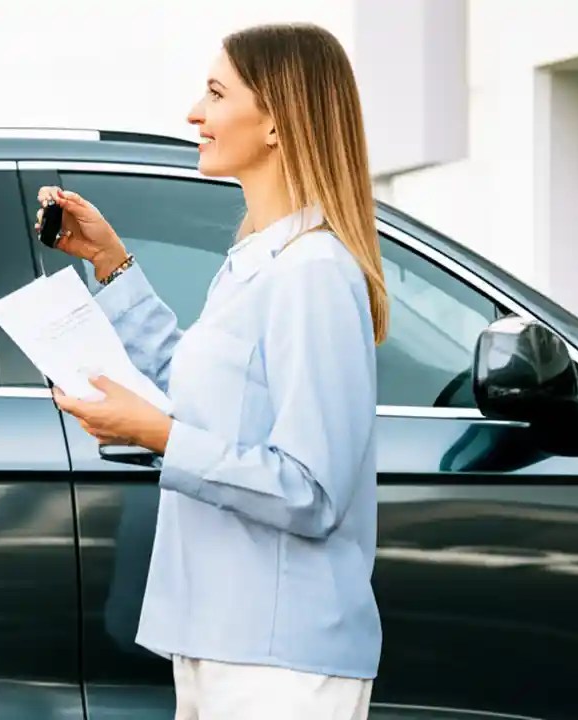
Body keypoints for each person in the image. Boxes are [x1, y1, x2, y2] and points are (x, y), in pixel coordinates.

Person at [37, 22, 389, 720]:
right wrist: (111, 264)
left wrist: (162, 435)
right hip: (216, 641)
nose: (194, 113)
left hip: (282, 657)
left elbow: (312, 490)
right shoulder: (256, 263)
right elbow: (190, 383)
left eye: (216, 92)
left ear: (278, 123)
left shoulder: (314, 274)